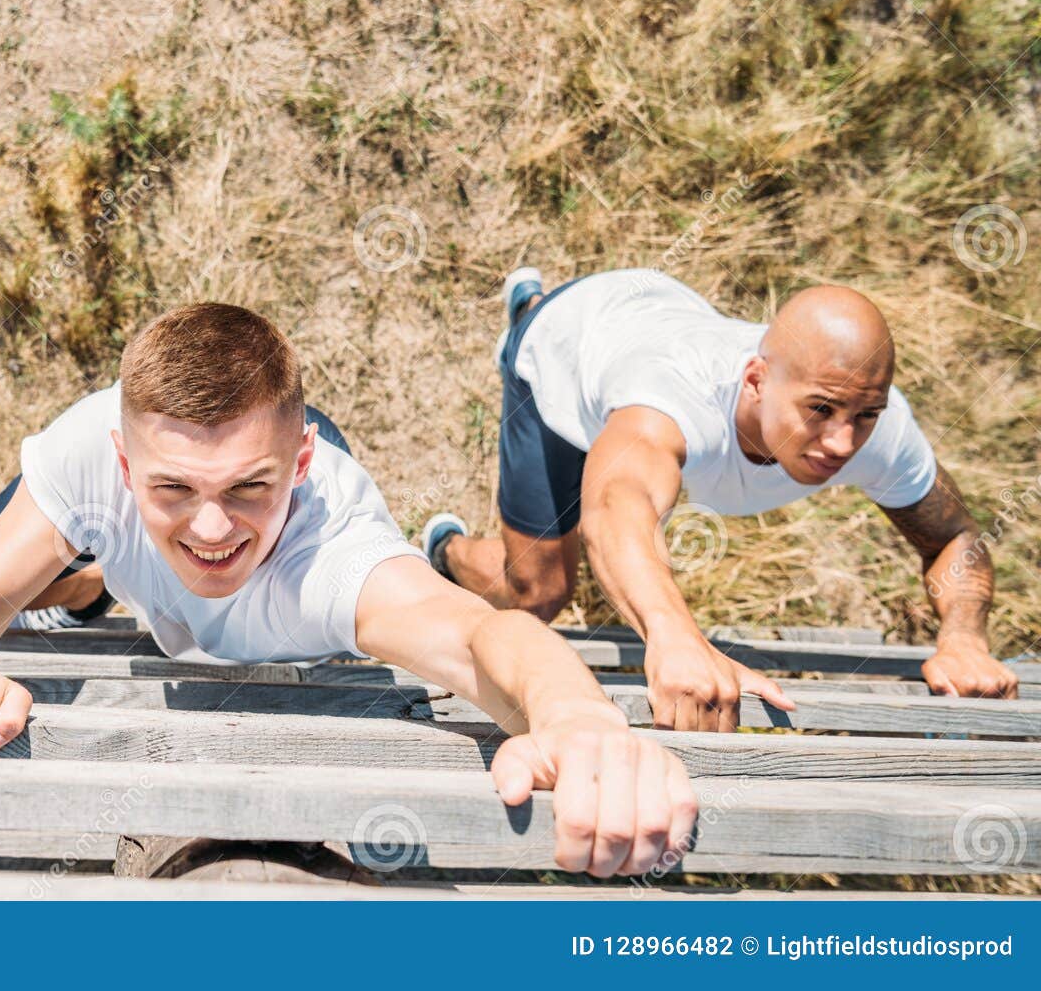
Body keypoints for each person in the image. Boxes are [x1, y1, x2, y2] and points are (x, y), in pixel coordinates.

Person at [0, 303, 697, 879]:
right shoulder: (86, 460)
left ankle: (114, 565)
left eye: (247, 488)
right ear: (123, 467)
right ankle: (89, 580)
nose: (208, 528)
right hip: (106, 492)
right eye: (171, 491)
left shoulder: (328, 544)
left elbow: (478, 633)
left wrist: (579, 718)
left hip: (309, 517)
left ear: (299, 468)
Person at [421, 267, 1018, 733]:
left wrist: (964, 637)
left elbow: (954, 536)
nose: (842, 441)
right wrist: (673, 633)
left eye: (864, 415)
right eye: (819, 410)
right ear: (755, 381)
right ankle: (446, 547)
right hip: (567, 352)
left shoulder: (877, 428)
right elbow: (615, 504)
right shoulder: (675, 397)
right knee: (539, 592)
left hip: (653, 315)